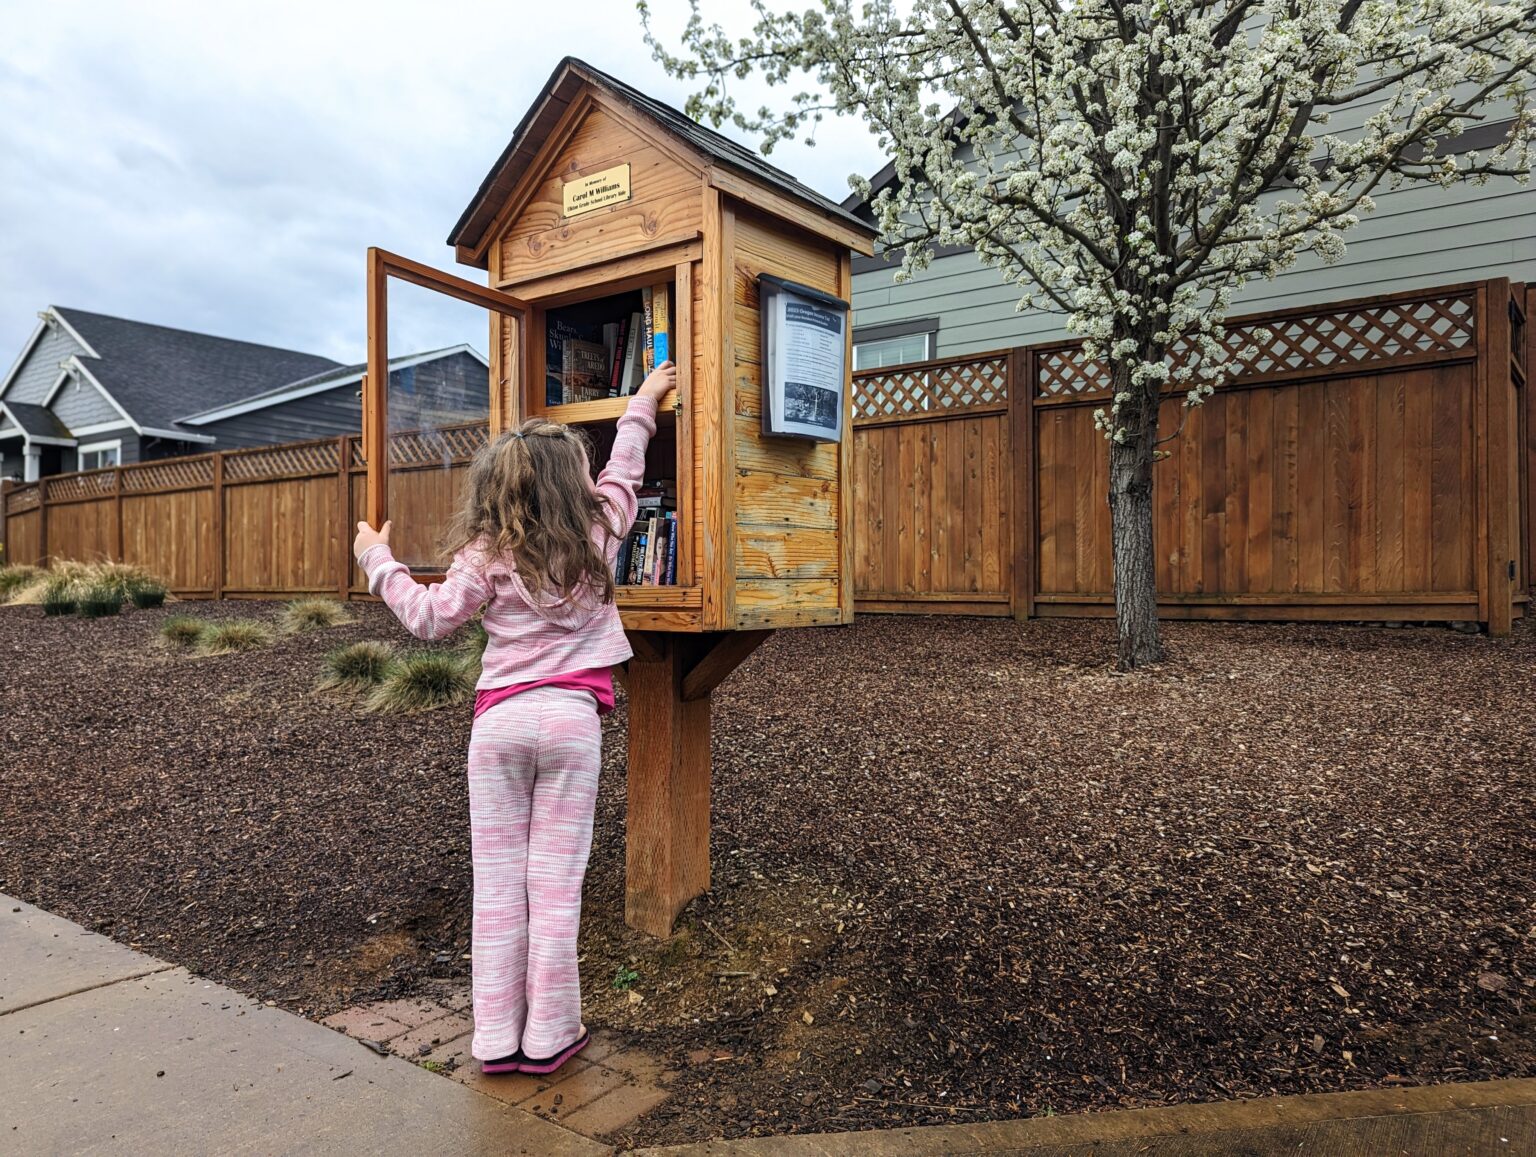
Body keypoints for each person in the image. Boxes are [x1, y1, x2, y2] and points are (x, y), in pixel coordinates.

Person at [352, 360, 676, 1075]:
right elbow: (626, 460)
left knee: (498, 884)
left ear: (494, 489)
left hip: (498, 729)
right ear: (574, 484)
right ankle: (550, 1036)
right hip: (570, 724)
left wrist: (376, 554)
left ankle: (496, 1038)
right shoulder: (601, 532)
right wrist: (645, 398)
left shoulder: (482, 554)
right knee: (555, 886)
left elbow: (429, 617)